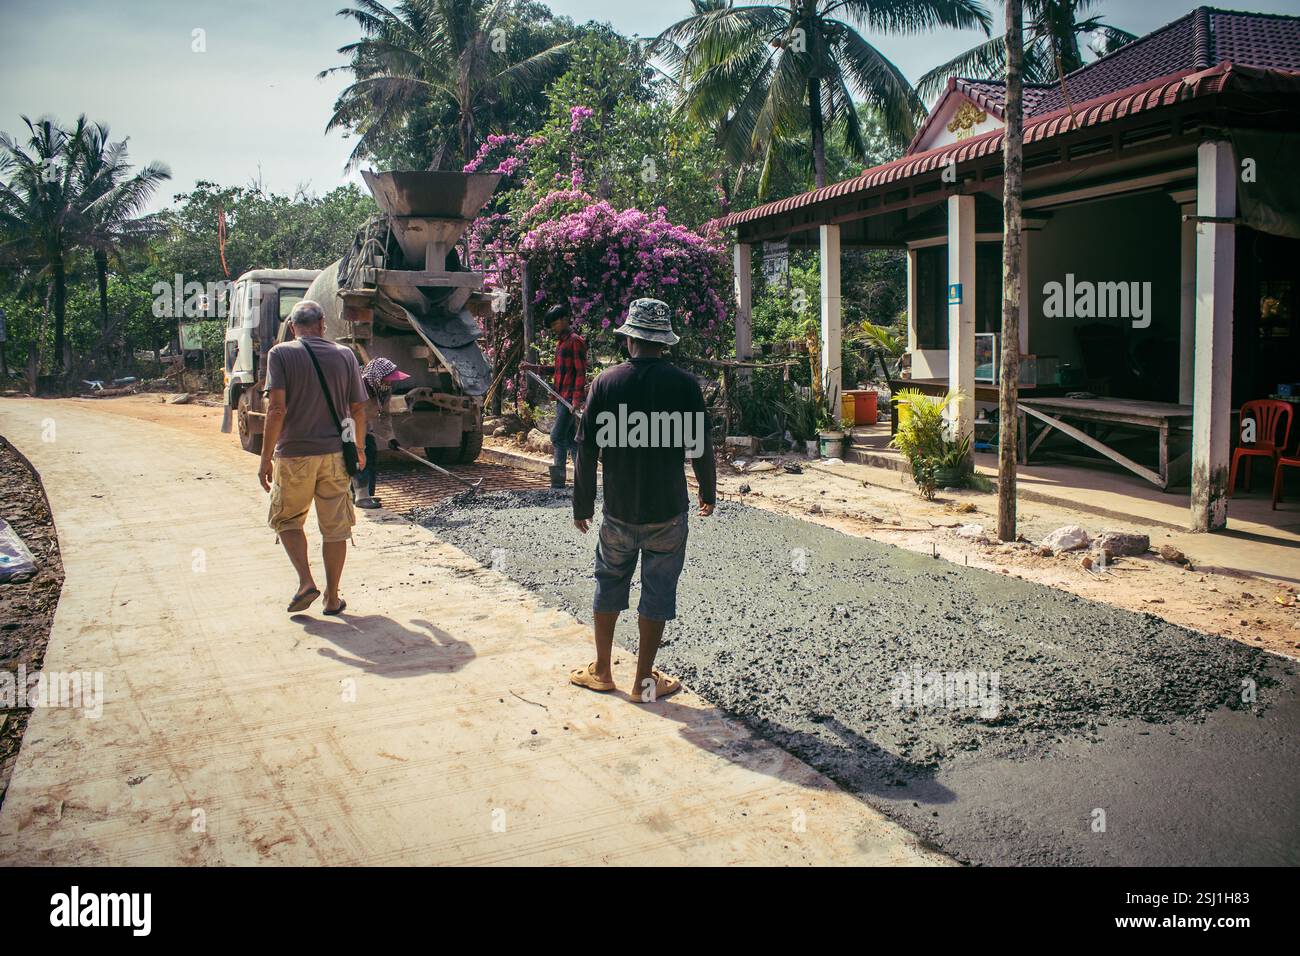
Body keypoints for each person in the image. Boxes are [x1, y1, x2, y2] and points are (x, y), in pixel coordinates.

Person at [569, 298, 716, 702]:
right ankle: (643, 683)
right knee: (658, 591)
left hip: (618, 511)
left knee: (609, 581)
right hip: (667, 512)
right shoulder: (684, 385)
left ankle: (601, 671)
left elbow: (586, 450)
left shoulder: (605, 383)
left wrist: (582, 506)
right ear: (662, 343)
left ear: (630, 338)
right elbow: (701, 446)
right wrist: (708, 492)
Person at [258, 300, 367, 616]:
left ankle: (306, 581)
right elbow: (359, 409)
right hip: (335, 456)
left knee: (287, 519)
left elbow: (276, 409)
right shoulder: (345, 355)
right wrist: (358, 449)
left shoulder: (281, 354)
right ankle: (332, 599)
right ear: (322, 324)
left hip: (294, 456)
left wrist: (265, 458)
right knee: (335, 529)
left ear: (293, 327)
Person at [525, 304, 587, 489]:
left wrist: (577, 399)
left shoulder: (575, 341)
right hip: (561, 397)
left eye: (555, 323)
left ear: (565, 319)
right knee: (569, 440)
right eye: (551, 325)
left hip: (568, 399)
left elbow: (580, 371)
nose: (554, 327)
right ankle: (581, 479)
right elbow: (558, 370)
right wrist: (533, 368)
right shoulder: (561, 343)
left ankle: (558, 481)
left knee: (556, 437)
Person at [351, 357, 411, 509]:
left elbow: (384, 415)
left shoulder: (383, 391)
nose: (389, 383)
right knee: (359, 460)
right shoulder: (360, 387)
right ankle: (359, 496)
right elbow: (355, 413)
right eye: (387, 380)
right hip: (351, 428)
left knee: (371, 455)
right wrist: (359, 440)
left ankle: (368, 495)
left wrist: (391, 438)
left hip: (366, 428)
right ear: (377, 377)